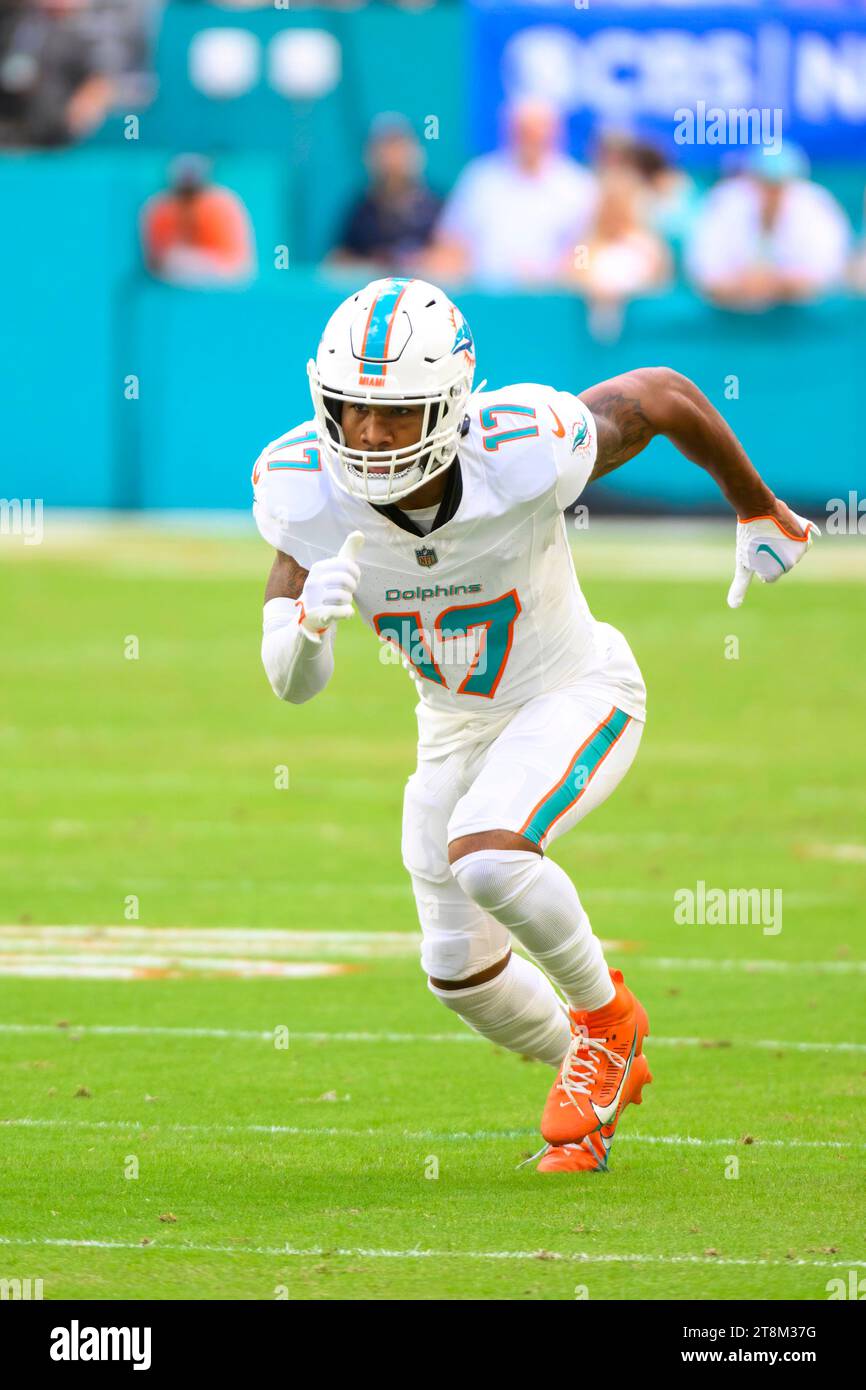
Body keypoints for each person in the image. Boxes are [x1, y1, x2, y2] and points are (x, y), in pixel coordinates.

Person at [251, 277, 817, 1174]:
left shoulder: (522, 452)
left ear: (449, 405)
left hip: (575, 687)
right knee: (459, 974)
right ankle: (591, 1074)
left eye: (392, 415)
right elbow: (292, 688)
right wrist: (308, 628)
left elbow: (663, 394)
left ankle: (605, 1018)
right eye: (351, 409)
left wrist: (756, 505)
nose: (365, 434)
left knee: (488, 853)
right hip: (453, 724)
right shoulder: (303, 494)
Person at [425, 97, 597, 287]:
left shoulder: (579, 187)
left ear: (556, 133)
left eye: (540, 131)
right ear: (509, 132)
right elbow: (451, 245)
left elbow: (589, 253)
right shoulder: (480, 179)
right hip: (484, 302)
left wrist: (550, 276)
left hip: (554, 303)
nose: (533, 138)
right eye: (524, 131)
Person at [686, 145, 851, 309]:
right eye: (765, 184)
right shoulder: (723, 203)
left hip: (800, 318)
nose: (771, 194)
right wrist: (742, 283)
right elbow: (703, 269)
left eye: (778, 186)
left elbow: (830, 270)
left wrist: (780, 283)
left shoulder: (816, 205)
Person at [330, 113, 441, 272]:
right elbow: (337, 262)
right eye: (385, 149)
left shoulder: (437, 208)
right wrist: (375, 266)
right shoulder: (360, 211)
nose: (393, 159)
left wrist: (421, 264)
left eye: (399, 148)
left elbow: (455, 260)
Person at [141, 154, 256, 286]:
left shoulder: (223, 203)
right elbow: (157, 260)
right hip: (174, 277)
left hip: (224, 273)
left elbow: (237, 263)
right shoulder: (160, 207)